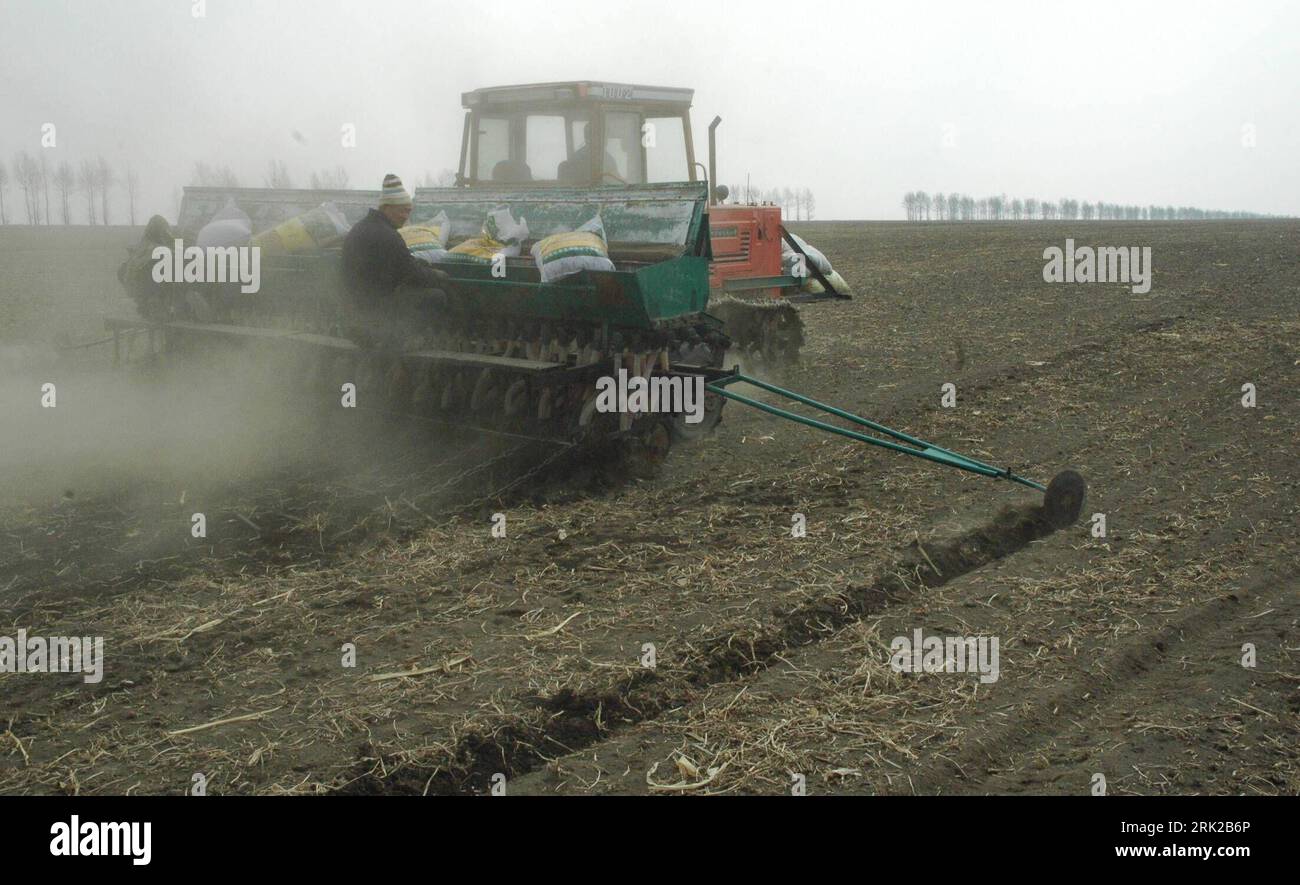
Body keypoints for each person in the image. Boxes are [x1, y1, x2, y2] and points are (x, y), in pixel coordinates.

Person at [340, 173, 453, 350]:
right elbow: (411, 274)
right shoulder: (388, 235)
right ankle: (400, 340)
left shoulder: (359, 228)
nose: (405, 217)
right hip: (376, 306)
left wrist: (419, 265)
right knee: (436, 296)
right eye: (402, 210)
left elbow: (397, 263)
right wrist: (437, 275)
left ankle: (370, 336)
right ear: (387, 207)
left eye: (408, 211)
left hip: (356, 304)